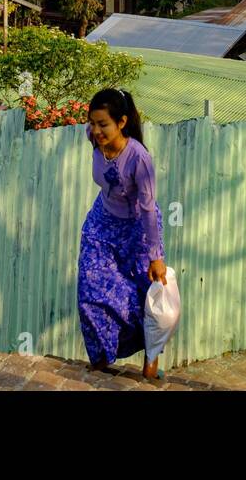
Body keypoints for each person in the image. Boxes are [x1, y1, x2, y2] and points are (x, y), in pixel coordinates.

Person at [77, 88, 167, 379]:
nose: (96, 130)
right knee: (91, 287)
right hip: (102, 222)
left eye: (103, 124)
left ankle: (151, 357)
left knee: (146, 296)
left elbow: (149, 209)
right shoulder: (94, 139)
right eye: (93, 122)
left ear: (122, 122)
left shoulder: (139, 159)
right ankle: (102, 357)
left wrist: (155, 257)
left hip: (137, 229)